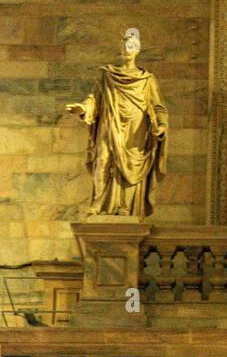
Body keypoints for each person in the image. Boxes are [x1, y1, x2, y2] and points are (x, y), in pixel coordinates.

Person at [65, 28, 167, 218]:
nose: (128, 50)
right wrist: (84, 108)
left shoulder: (147, 80)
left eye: (132, 46)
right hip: (110, 121)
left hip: (136, 126)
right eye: (125, 46)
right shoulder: (107, 75)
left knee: (131, 165)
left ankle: (125, 207)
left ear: (137, 50)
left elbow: (158, 106)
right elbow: (94, 99)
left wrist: (161, 125)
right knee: (102, 160)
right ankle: (98, 203)